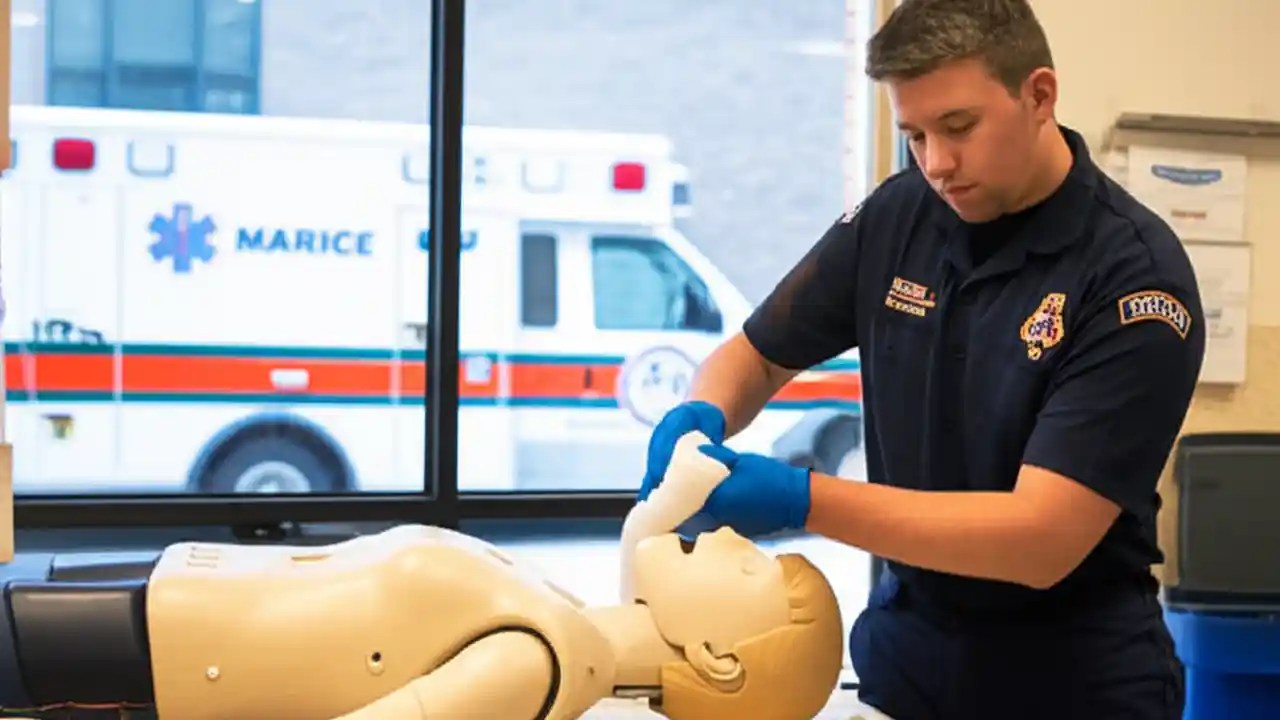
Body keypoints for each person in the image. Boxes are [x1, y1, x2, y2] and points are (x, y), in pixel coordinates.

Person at [638, 1, 1205, 718]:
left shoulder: (1132, 278)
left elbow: (1040, 540)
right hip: (909, 661)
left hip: (1069, 680)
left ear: (1039, 95)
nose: (937, 163)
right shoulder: (898, 217)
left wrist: (800, 498)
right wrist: (702, 414)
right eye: (914, 135)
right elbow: (757, 354)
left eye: (959, 128)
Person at [0, 523, 842, 720]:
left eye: (747, 566)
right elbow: (648, 537)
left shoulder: (542, 661)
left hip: (156, 643)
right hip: (174, 592)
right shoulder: (567, 618)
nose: (731, 535)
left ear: (715, 660)